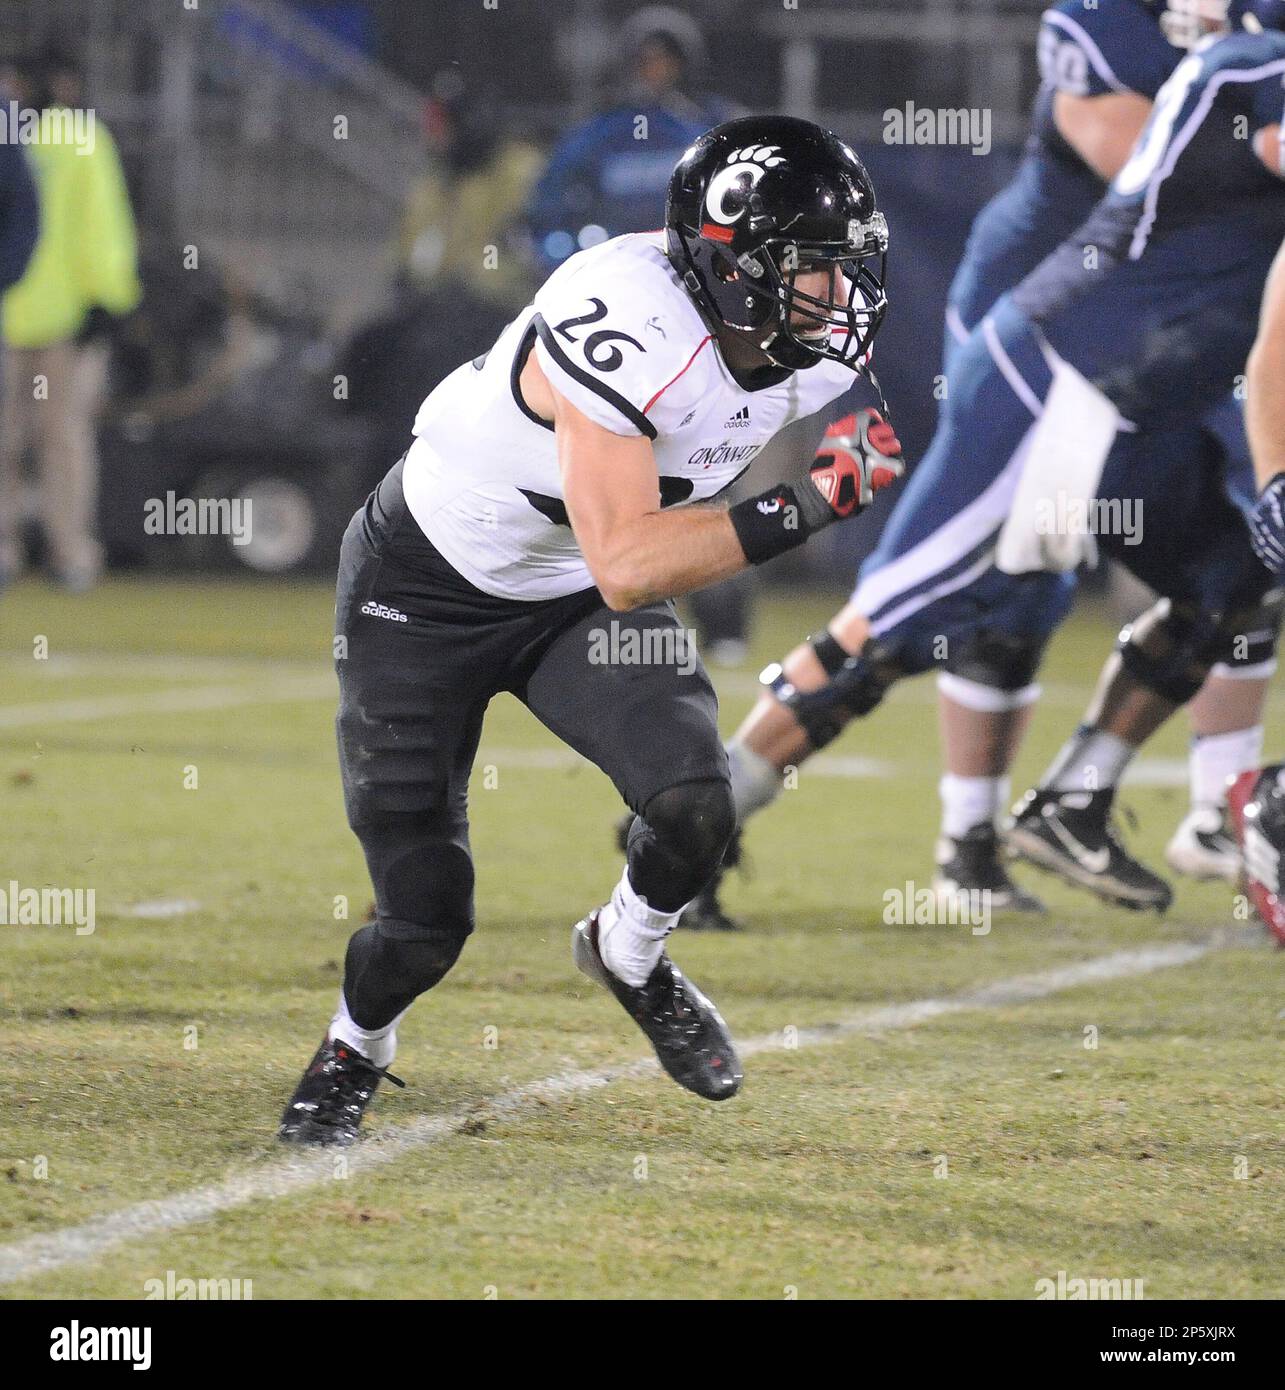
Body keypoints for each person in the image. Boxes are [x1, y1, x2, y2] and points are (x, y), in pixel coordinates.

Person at [278, 116, 902, 1145]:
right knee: (424, 921)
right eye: (812, 269)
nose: (840, 297)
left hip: (565, 594)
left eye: (845, 268)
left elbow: (662, 512)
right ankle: (356, 1043)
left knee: (696, 807)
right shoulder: (620, 311)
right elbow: (629, 563)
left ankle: (629, 950)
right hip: (425, 589)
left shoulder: (807, 352)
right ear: (730, 260)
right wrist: (803, 509)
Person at [685, 5, 1285, 928]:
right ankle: (691, 829)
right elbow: (1152, 147)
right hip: (1058, 371)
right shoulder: (1235, 71)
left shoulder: (1229, 63)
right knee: (897, 625)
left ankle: (1076, 798)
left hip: (1148, 385)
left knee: (1234, 577)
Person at [0, 49, 141, 591]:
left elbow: (98, 223)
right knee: (63, 440)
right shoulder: (80, 135)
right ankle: (71, 553)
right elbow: (105, 223)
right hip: (64, 316)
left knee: (26, 437)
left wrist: (105, 299)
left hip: (34, 314)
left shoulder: (36, 134)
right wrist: (108, 300)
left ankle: (25, 551)